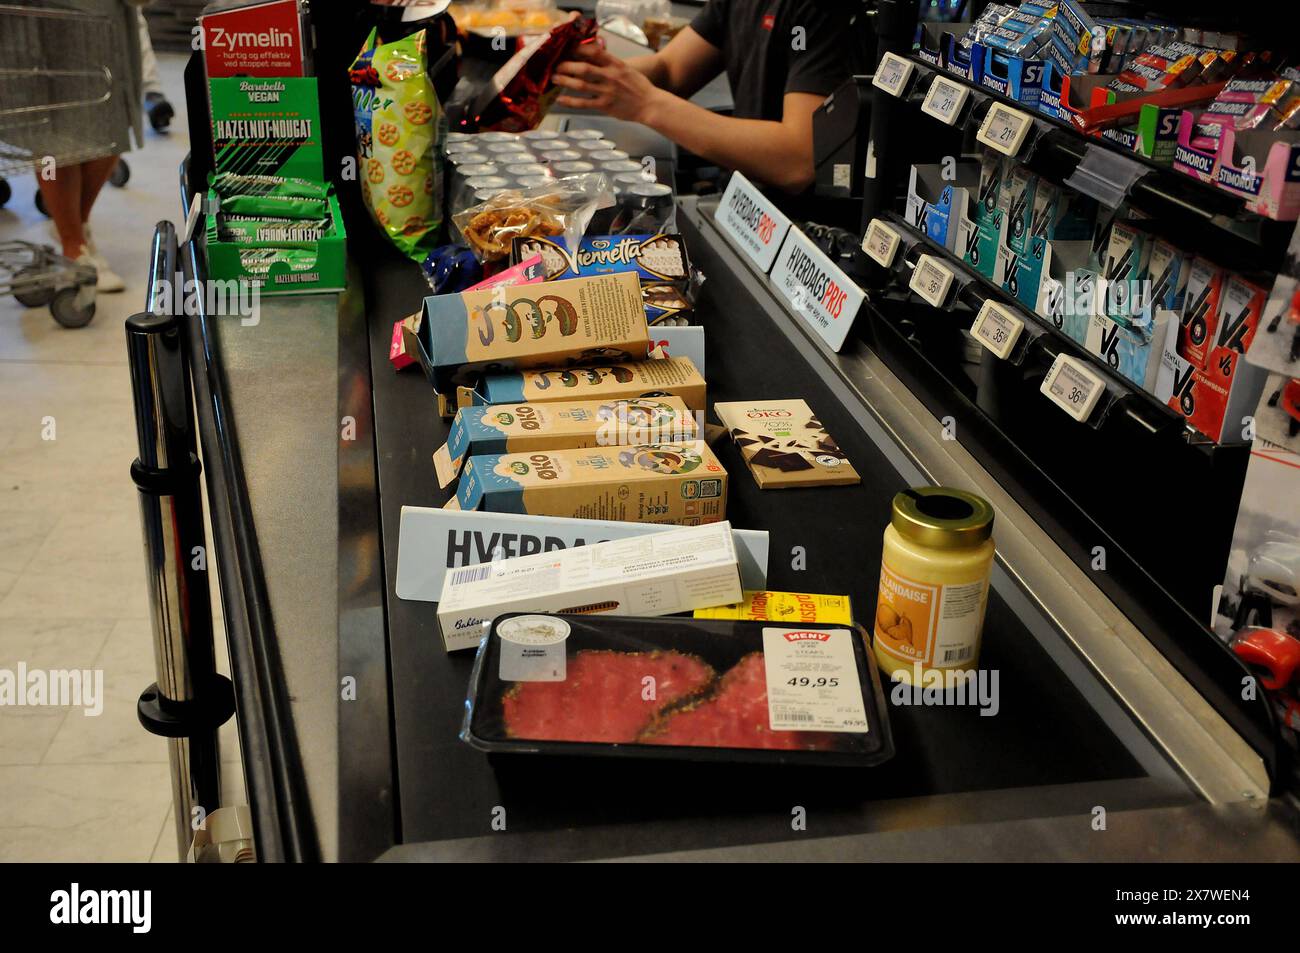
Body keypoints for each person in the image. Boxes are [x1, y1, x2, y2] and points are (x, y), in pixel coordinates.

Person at [553, 0, 857, 194]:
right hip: (744, 200)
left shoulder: (824, 11)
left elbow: (797, 161)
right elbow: (670, 70)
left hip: (802, 228)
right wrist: (571, 67)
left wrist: (647, 104)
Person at [29, 0, 147, 292]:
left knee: (111, 122)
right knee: (54, 130)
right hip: (45, 16)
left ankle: (74, 227)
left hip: (108, 15)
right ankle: (73, 242)